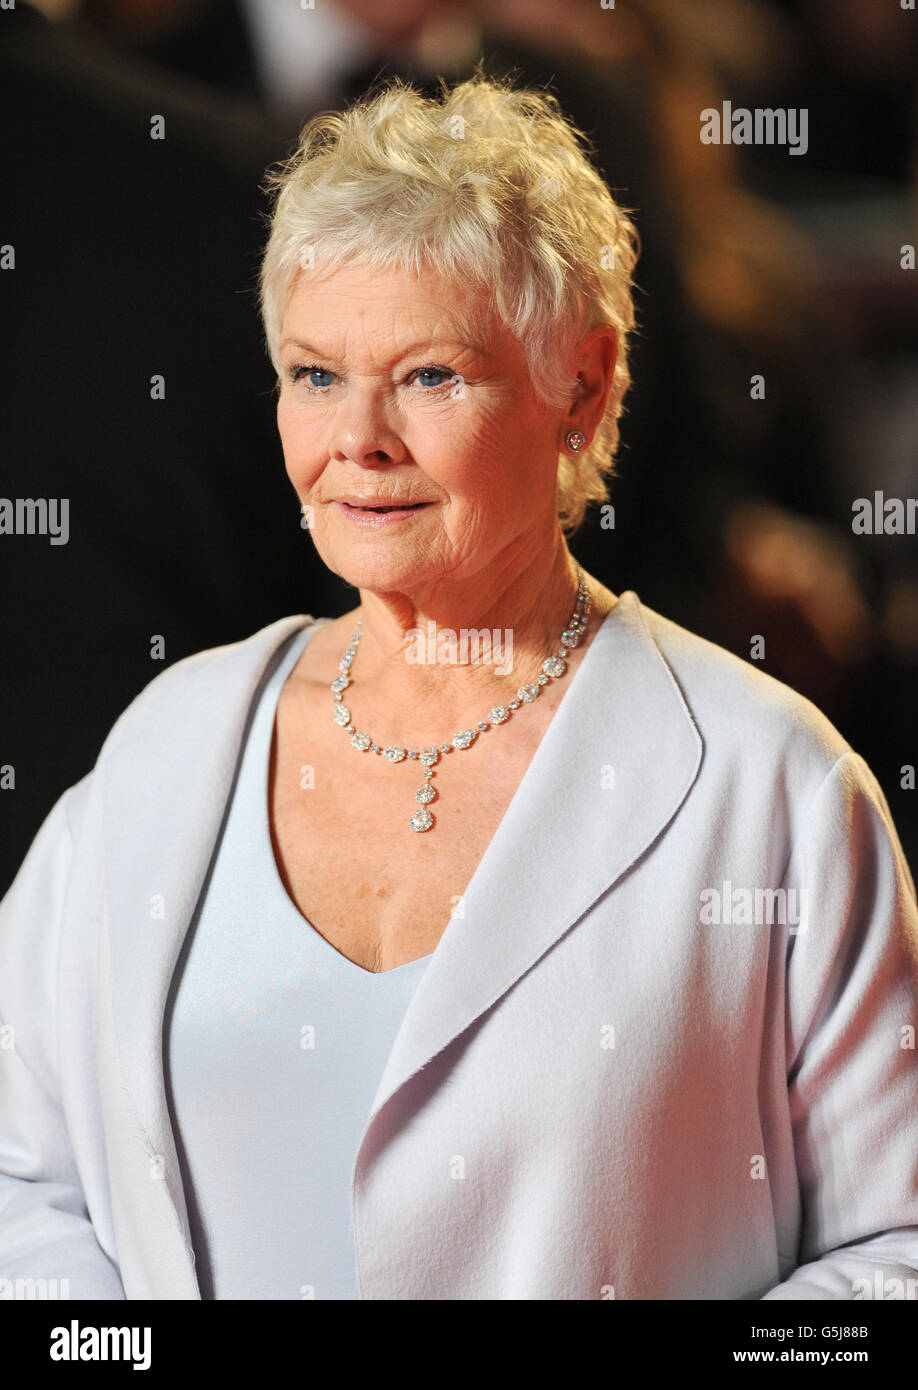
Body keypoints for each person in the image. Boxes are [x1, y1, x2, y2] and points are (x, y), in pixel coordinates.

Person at [1, 73, 917, 1301]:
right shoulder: (171, 743)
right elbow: (22, 1173)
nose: (359, 441)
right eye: (316, 374)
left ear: (580, 388)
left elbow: (895, 1251)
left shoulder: (773, 783)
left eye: (431, 375)